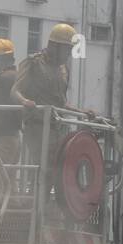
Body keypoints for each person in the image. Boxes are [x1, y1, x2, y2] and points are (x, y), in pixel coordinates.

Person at [13, 23, 95, 169]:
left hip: (57, 127)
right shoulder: (33, 63)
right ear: (54, 46)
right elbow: (15, 90)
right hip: (37, 125)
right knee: (44, 166)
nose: (69, 54)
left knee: (60, 167)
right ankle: (36, 190)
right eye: (67, 50)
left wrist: (82, 113)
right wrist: (25, 101)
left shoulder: (63, 70)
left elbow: (61, 103)